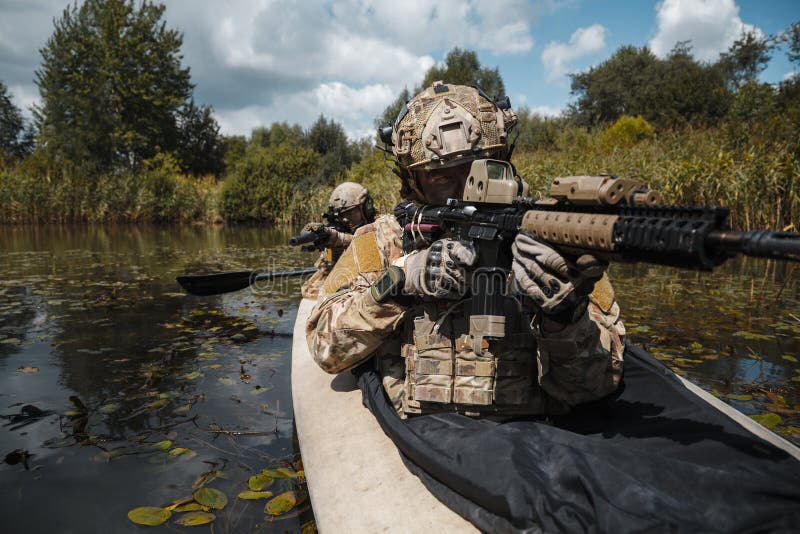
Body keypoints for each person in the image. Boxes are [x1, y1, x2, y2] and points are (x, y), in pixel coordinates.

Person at [306, 82, 624, 418]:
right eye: (442, 177)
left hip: (529, 434)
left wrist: (564, 317)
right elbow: (326, 351)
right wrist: (400, 281)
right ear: (413, 179)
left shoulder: (547, 237)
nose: (466, 191)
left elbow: (599, 384)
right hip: (420, 433)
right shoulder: (380, 240)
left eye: (479, 168)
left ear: (501, 159)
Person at [300, 182, 376, 299]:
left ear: (364, 208)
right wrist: (331, 250)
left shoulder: (380, 223)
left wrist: (340, 239)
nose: (345, 219)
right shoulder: (340, 230)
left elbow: (374, 242)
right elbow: (326, 269)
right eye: (341, 215)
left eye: (350, 212)